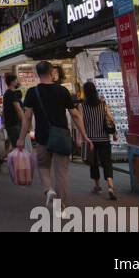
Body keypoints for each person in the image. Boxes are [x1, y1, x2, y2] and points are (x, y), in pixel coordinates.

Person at [18, 61, 92, 206]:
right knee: (61, 173)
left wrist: (21, 138)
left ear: (37, 74)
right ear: (52, 73)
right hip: (61, 137)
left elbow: (27, 117)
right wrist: (84, 135)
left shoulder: (33, 92)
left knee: (43, 167)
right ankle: (62, 206)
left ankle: (48, 190)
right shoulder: (62, 91)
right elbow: (75, 115)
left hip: (43, 137)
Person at [81, 80, 116, 200]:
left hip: (90, 140)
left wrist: (82, 137)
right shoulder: (103, 104)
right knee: (107, 162)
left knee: (93, 163)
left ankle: (97, 185)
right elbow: (110, 119)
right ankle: (110, 185)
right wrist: (114, 133)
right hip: (104, 139)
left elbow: (81, 123)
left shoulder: (83, 106)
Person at [2, 73, 24, 158]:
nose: (18, 81)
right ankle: (18, 165)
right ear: (12, 82)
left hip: (10, 123)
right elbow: (18, 109)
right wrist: (24, 121)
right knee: (17, 146)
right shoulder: (12, 93)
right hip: (14, 123)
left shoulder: (8, 93)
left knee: (13, 143)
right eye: (16, 80)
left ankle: (2, 158)